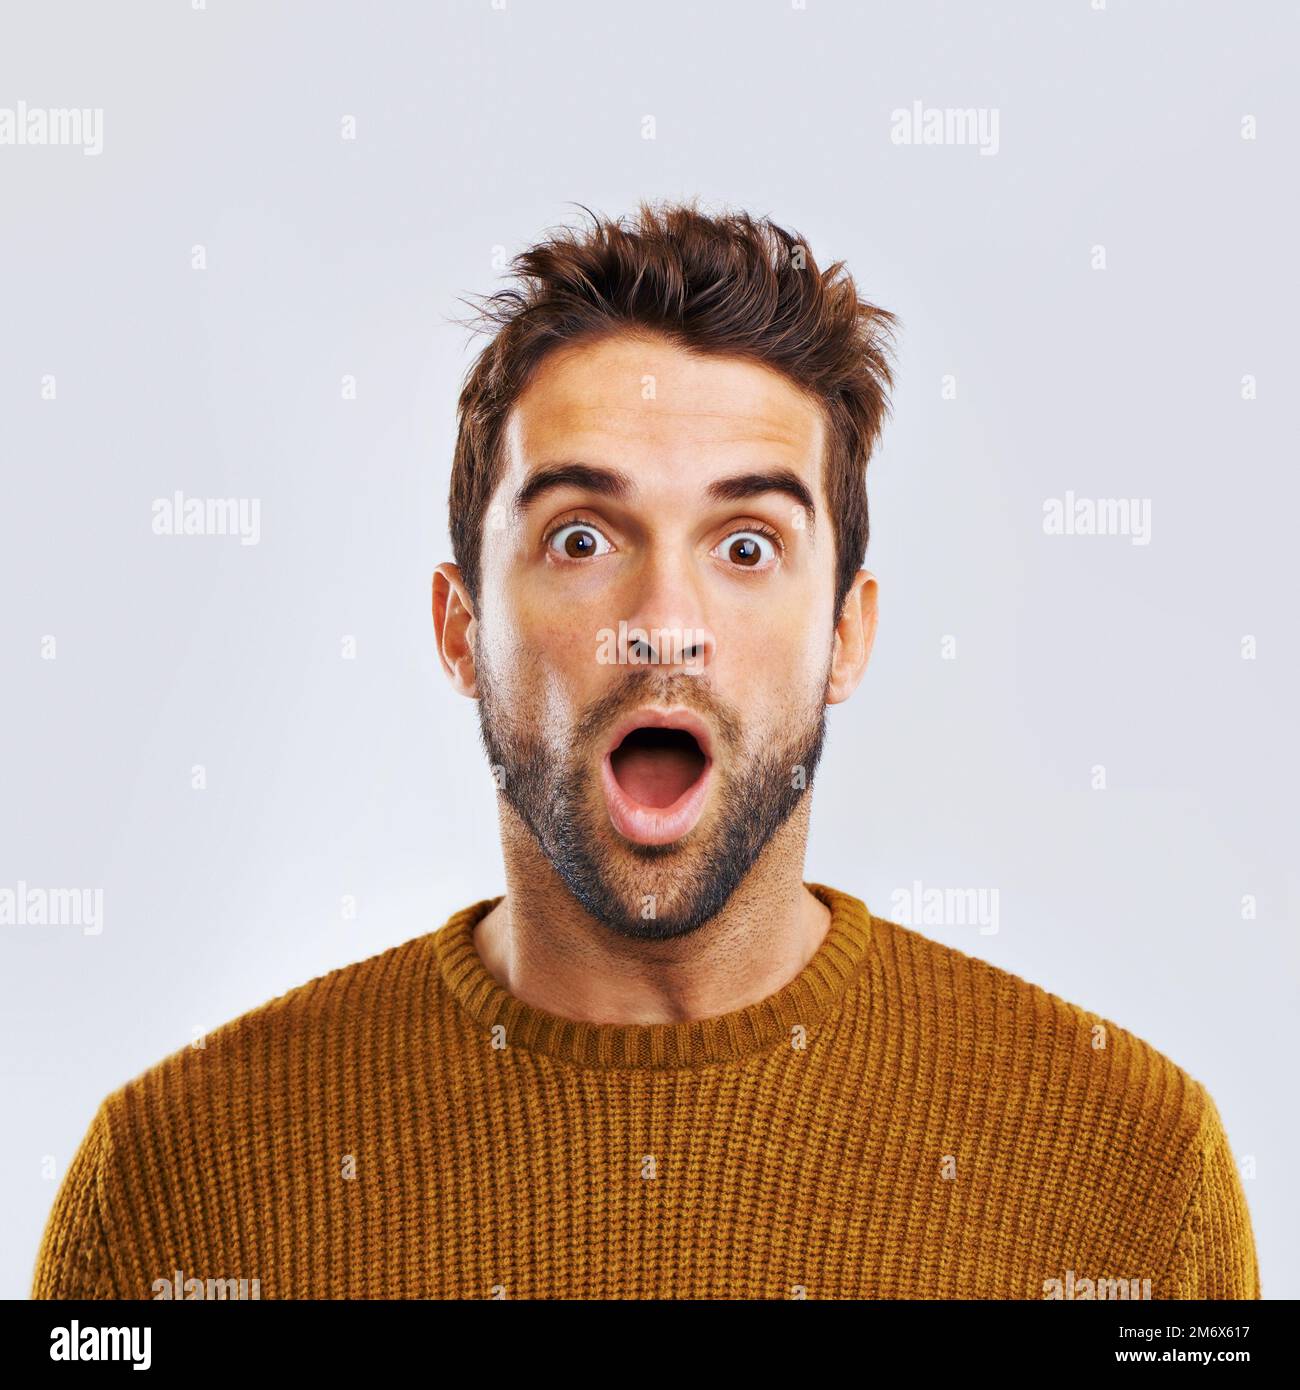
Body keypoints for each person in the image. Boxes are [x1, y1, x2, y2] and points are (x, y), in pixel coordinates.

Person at [32, 200, 1259, 1299]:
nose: (661, 625)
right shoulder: (173, 1188)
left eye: (745, 546)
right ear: (462, 631)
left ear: (845, 635)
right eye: (580, 538)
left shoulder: (1133, 1175)